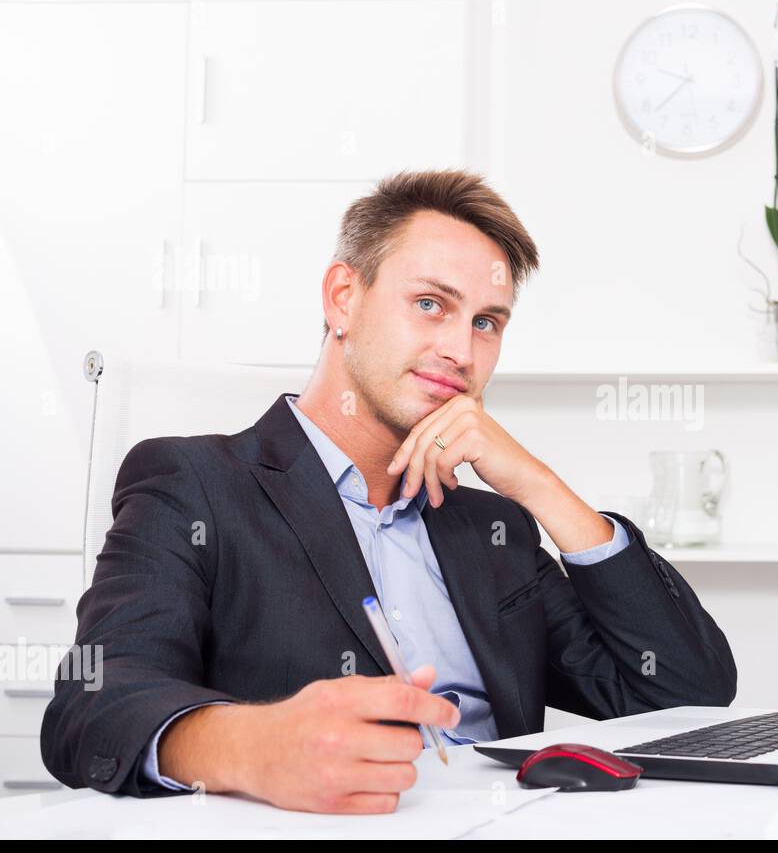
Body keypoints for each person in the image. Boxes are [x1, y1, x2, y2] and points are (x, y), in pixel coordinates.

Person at [42, 169, 737, 814]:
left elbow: (683, 692)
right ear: (343, 299)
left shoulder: (492, 529)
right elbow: (92, 705)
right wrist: (257, 749)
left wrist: (539, 486)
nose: (462, 353)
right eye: (431, 304)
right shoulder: (195, 485)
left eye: (486, 322)